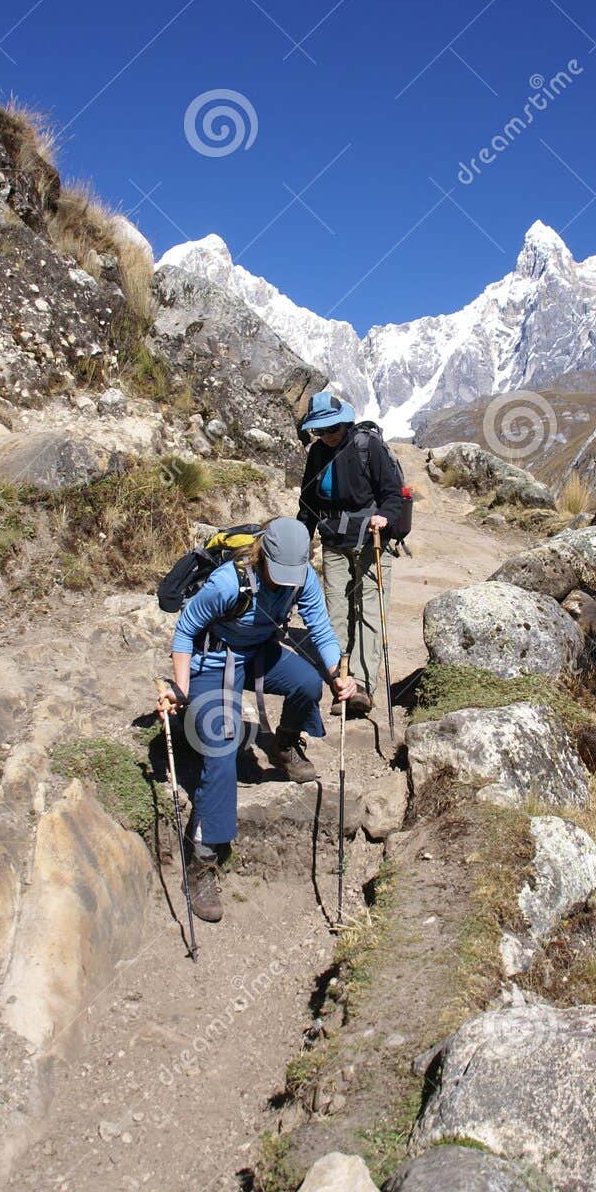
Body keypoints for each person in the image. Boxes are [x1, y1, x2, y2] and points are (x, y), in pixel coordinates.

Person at [155, 517, 356, 924]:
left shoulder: (302, 578)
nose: (284, 582)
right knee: (223, 742)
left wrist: (338, 674)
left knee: (305, 682)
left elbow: (319, 627)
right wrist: (181, 689)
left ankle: (282, 746)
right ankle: (203, 858)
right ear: (263, 555)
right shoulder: (229, 582)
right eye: (277, 573)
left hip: (258, 654)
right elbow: (185, 631)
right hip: (213, 661)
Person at [297, 391, 403, 717]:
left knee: (369, 611)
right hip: (334, 542)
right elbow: (308, 504)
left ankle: (365, 687)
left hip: (371, 540)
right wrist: (299, 542)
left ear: (344, 423)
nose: (327, 436)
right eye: (320, 431)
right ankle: (344, 680)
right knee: (336, 613)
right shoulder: (317, 454)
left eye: (332, 429)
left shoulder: (367, 446)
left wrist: (385, 515)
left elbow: (393, 494)